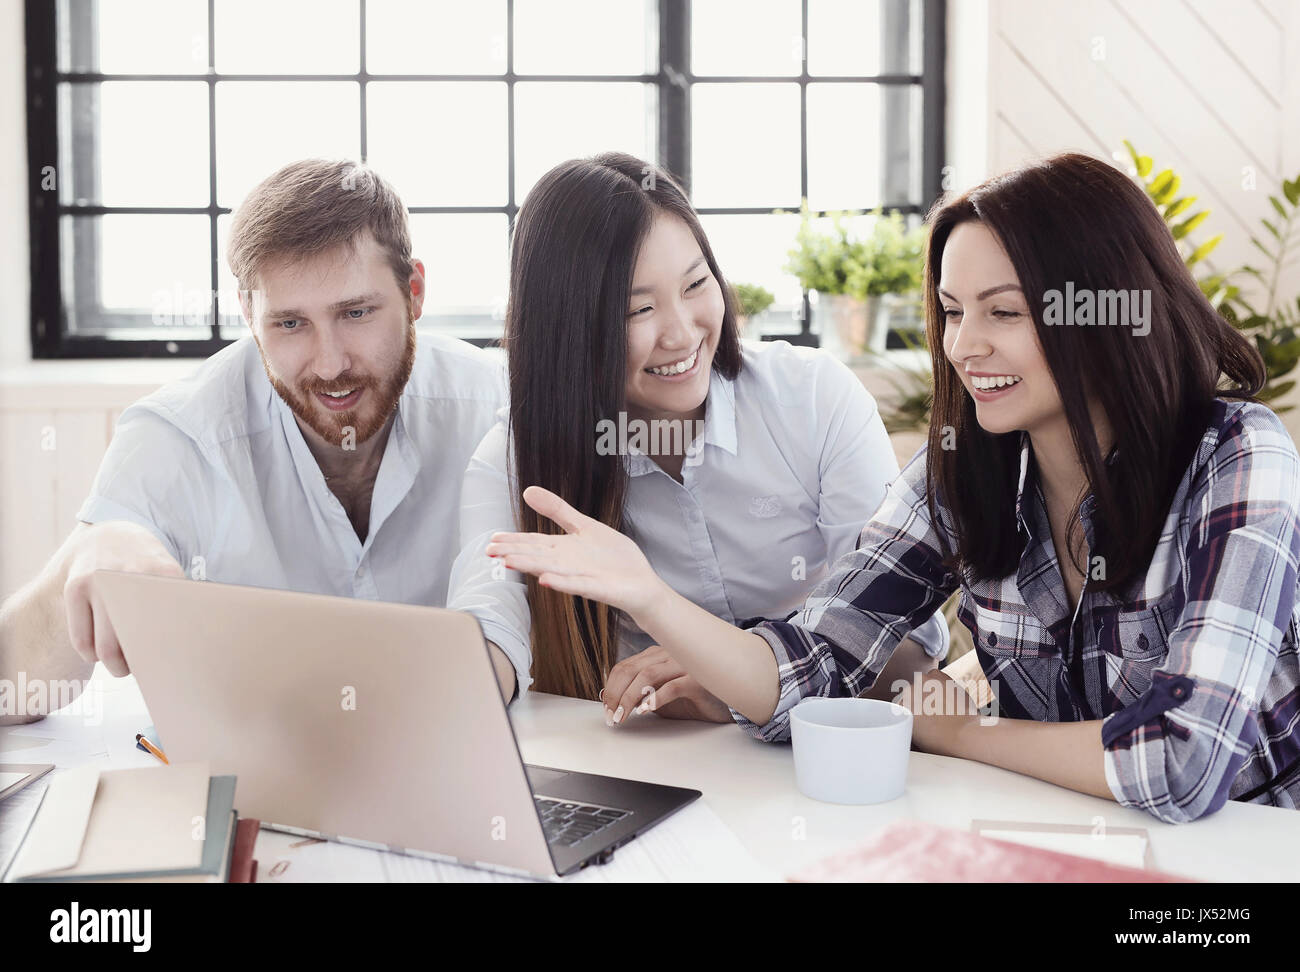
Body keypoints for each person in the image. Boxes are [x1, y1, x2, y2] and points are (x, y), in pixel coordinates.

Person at [487, 152, 1300, 822]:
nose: (961, 345)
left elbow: (1183, 763)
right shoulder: (965, 469)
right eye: (950, 311)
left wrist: (957, 733)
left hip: (1256, 848)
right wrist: (649, 595)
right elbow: (813, 664)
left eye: (1002, 313)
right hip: (1071, 832)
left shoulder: (1235, 456)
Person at [0, 159, 517, 722]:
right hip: (251, 794)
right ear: (250, 313)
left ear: (414, 292)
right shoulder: (181, 435)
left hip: (460, 757)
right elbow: (11, 694)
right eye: (290, 324)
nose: (329, 364)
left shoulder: (497, 404)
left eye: (357, 312)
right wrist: (87, 553)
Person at [448, 152, 948, 724]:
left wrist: (735, 678)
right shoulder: (519, 454)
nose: (682, 333)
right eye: (638, 309)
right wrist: (464, 688)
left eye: (695, 284)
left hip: (823, 767)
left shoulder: (813, 401)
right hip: (657, 770)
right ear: (568, 331)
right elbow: (490, 616)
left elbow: (906, 656)